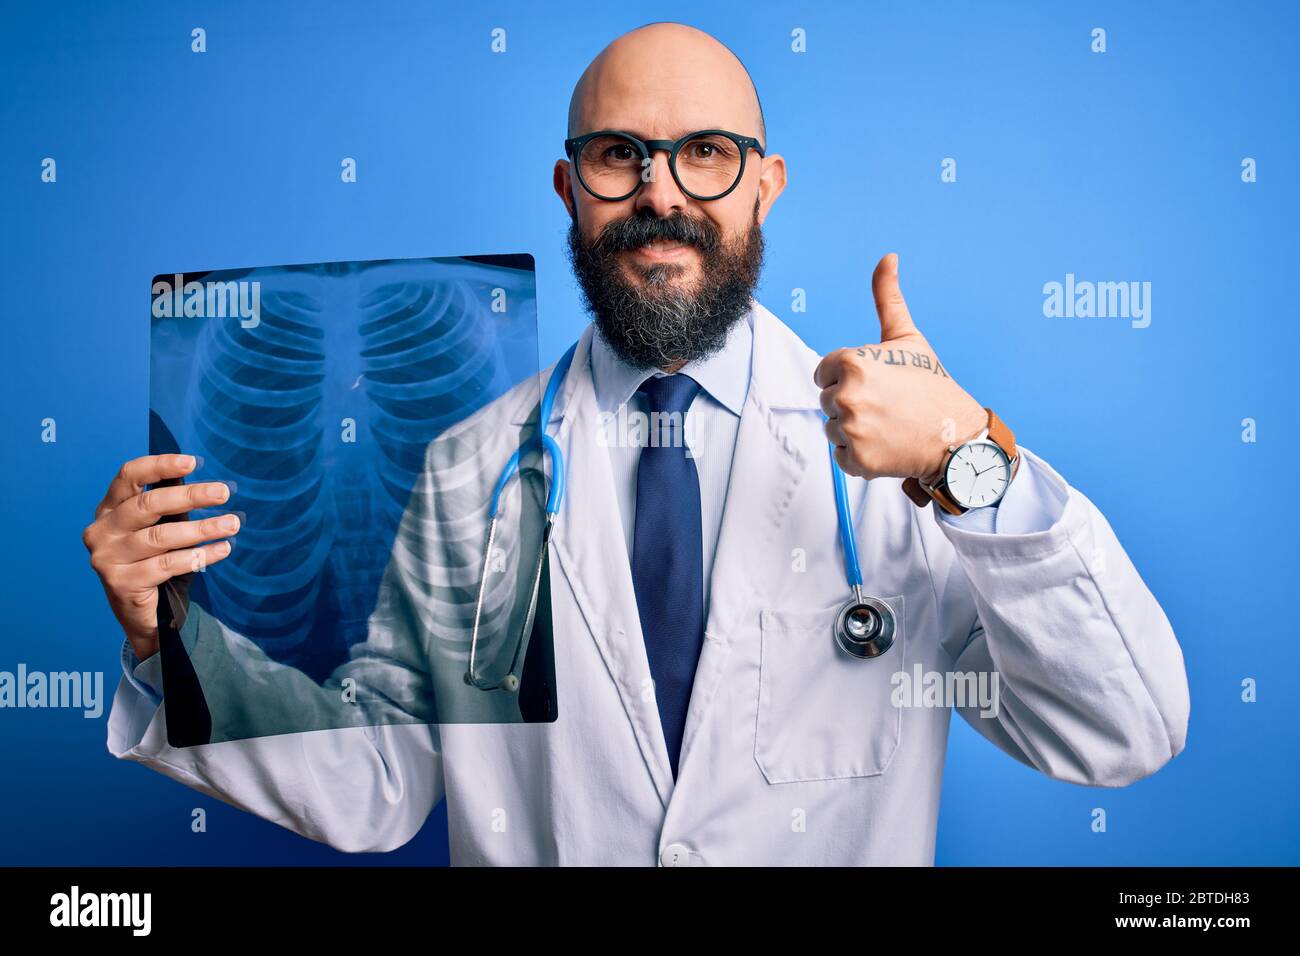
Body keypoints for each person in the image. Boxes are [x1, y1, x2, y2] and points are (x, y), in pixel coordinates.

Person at [85, 22, 1189, 865]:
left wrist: (964, 462)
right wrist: (164, 637)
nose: (660, 192)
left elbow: (1120, 729)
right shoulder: (471, 464)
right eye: (619, 156)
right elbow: (381, 776)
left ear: (766, 184)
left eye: (705, 152)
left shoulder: (904, 465)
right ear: (571, 190)